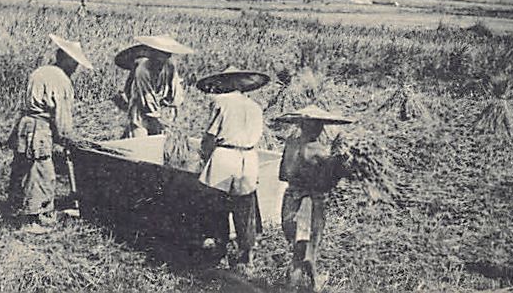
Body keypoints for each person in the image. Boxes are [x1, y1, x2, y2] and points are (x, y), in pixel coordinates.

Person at [7, 34, 93, 234]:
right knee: (41, 172)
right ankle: (31, 220)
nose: (75, 68)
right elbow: (61, 115)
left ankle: (15, 206)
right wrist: (66, 138)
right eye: (74, 63)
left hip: (25, 125)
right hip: (39, 129)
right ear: (66, 59)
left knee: (22, 167)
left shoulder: (41, 71)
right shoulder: (61, 80)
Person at [196, 66, 270, 273]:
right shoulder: (255, 107)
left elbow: (210, 136)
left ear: (228, 83)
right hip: (249, 157)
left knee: (218, 206)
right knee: (245, 207)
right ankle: (247, 257)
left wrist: (204, 155)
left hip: (225, 156)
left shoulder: (221, 102)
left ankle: (219, 252)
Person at [275, 104, 355, 292]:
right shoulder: (319, 151)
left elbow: (282, 175)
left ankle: (307, 281)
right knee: (308, 248)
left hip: (290, 200)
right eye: (319, 126)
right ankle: (305, 284)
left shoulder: (290, 144)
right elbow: (328, 181)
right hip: (311, 203)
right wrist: (341, 162)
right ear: (315, 127)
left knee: (297, 246)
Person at [114, 35, 193, 138]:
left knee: (160, 138)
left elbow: (175, 90)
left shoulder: (170, 66)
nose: (164, 57)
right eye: (161, 54)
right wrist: (157, 117)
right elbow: (146, 96)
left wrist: (172, 108)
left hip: (160, 108)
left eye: (167, 54)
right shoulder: (143, 69)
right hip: (142, 107)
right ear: (153, 53)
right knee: (140, 136)